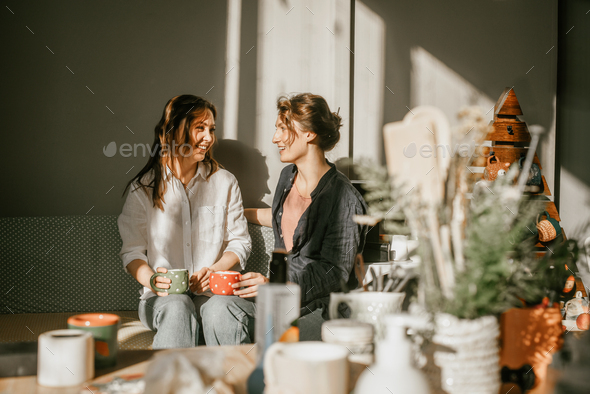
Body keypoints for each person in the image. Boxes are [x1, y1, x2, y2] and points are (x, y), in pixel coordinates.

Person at [205, 93, 368, 343]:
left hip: (321, 309)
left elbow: (333, 274)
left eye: (283, 128)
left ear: (309, 133)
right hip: (280, 300)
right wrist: (232, 215)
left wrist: (273, 285)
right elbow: (280, 217)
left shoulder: (344, 198)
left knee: (277, 337)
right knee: (218, 308)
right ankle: (239, 378)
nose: (275, 138)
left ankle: (267, 373)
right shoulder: (286, 177)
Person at [117, 95, 252, 348]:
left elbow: (239, 243)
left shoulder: (224, 182)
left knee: (220, 311)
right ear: (174, 131)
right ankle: (170, 385)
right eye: (200, 128)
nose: (209, 138)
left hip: (213, 295)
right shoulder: (143, 188)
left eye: (211, 129)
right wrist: (153, 280)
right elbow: (132, 252)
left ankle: (230, 382)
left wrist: (213, 271)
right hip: (161, 298)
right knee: (178, 305)